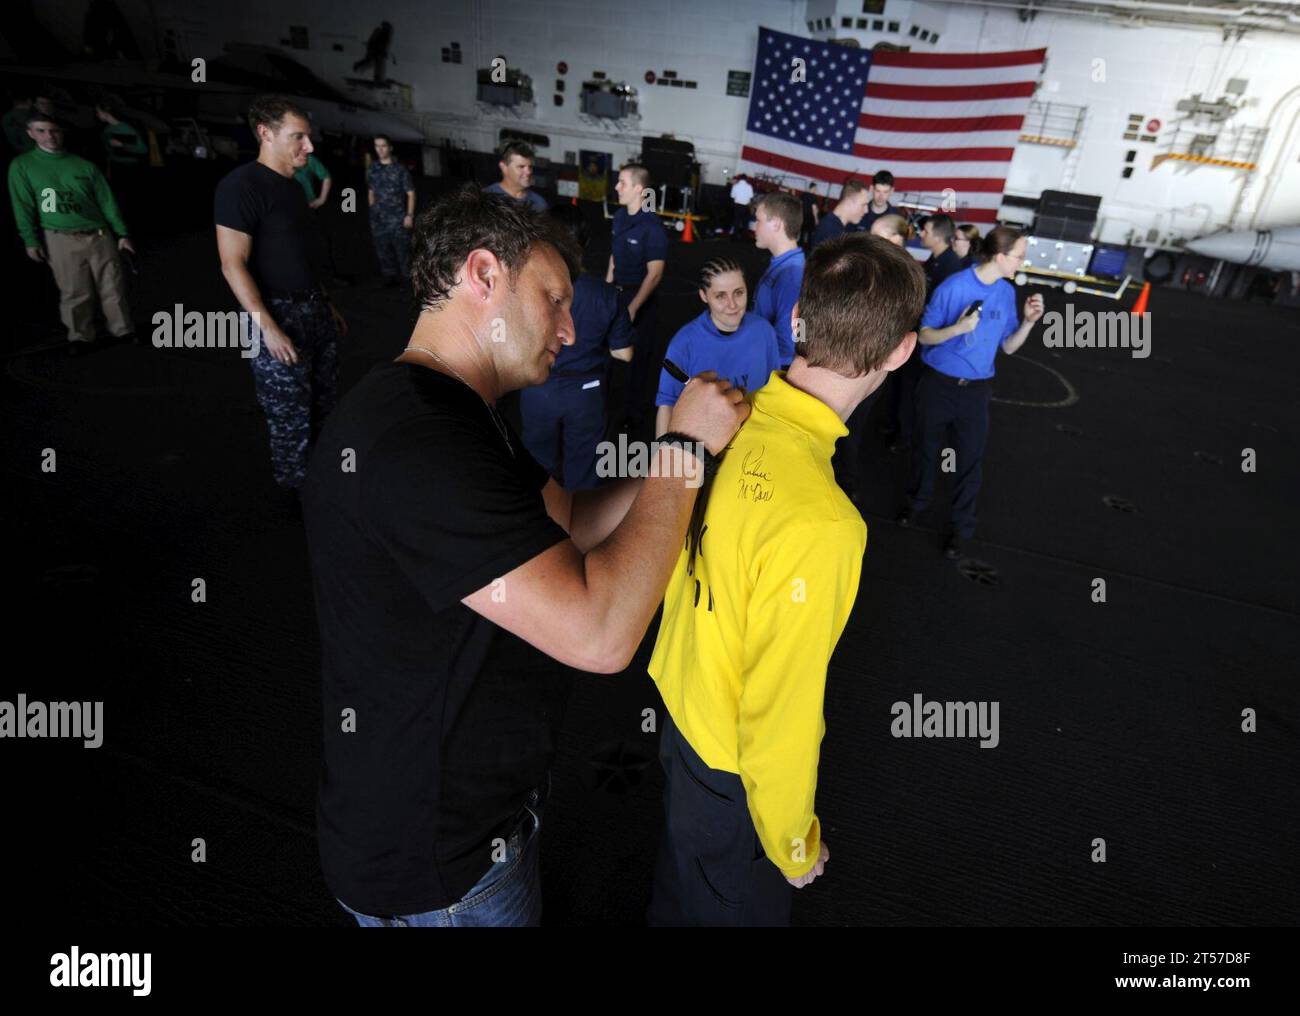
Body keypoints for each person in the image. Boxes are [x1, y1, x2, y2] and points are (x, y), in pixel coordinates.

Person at [301, 185, 748, 928]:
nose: (571, 330)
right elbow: (601, 637)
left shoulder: (454, 412)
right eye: (554, 300)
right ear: (483, 275)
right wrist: (681, 451)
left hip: (476, 815)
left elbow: (570, 522)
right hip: (436, 862)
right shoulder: (417, 444)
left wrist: (689, 473)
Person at [646, 233, 925, 926]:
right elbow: (780, 716)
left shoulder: (724, 420)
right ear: (900, 351)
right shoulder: (827, 527)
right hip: (733, 780)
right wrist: (796, 845)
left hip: (681, 722)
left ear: (797, 315)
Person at [214, 95, 346, 495]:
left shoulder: (293, 188)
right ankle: (297, 494)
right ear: (265, 133)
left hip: (314, 310)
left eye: (308, 137)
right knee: (289, 414)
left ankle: (324, 486)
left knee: (324, 403)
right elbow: (232, 263)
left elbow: (300, 255)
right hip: (275, 316)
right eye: (298, 137)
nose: (309, 146)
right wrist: (267, 328)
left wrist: (327, 303)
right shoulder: (239, 187)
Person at [898, 226, 1045, 558]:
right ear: (999, 256)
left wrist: (1029, 322)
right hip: (938, 386)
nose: (1022, 263)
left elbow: (1007, 347)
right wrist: (958, 329)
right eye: (1019, 256)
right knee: (925, 449)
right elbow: (924, 336)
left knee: (969, 461)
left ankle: (960, 527)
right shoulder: (954, 287)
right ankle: (916, 504)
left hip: (974, 394)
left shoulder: (1006, 294)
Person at [519, 203, 634, 489]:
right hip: (587, 394)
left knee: (535, 468)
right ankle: (578, 531)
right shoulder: (608, 296)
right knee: (583, 472)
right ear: (586, 243)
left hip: (537, 387)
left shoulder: (525, 289)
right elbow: (625, 353)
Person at [8, 111, 136, 354]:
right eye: (41, 131)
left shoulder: (83, 165)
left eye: (53, 130)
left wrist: (122, 234)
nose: (49, 136)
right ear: (31, 134)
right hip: (60, 236)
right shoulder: (22, 166)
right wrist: (30, 239)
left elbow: (107, 202)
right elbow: (22, 205)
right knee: (74, 290)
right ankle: (80, 337)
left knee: (112, 286)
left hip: (98, 234)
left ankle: (123, 330)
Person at [654, 258, 781, 437]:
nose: (732, 305)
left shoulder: (764, 331)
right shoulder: (684, 343)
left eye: (738, 293)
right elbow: (667, 405)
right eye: (720, 296)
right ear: (704, 296)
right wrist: (663, 459)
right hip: (706, 449)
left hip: (756, 442)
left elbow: (775, 392)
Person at [879, 213, 966, 453]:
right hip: (914, 332)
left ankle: (903, 436)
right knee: (899, 383)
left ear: (938, 236)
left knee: (910, 390)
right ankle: (894, 425)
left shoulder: (950, 267)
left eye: (925, 231)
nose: (921, 235)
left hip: (926, 342)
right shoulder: (935, 261)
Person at [607, 162, 668, 432]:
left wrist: (633, 307)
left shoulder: (652, 227)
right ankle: (608, 406)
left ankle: (634, 417)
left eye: (622, 182)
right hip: (618, 295)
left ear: (639, 189)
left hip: (640, 300)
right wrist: (606, 289)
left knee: (638, 362)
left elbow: (654, 275)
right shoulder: (620, 218)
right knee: (610, 355)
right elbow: (613, 256)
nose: (616, 187)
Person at [751, 191, 804, 367]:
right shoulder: (784, 265)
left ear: (776, 224)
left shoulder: (792, 276)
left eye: (758, 221)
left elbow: (791, 343)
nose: (754, 227)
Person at [367, 135, 415, 286]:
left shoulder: (400, 169)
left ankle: (409, 279)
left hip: (397, 217)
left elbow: (411, 193)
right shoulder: (373, 168)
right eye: (377, 146)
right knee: (382, 249)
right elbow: (371, 190)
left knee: (403, 251)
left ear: (390, 147)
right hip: (379, 217)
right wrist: (372, 209)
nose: (380, 149)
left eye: (383, 146)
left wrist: (409, 215)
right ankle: (390, 277)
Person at [483, 140, 547, 211]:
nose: (528, 172)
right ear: (504, 167)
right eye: (521, 167)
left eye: (530, 167)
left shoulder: (539, 203)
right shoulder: (486, 198)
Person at [809, 177, 870, 248]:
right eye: (863, 205)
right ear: (848, 201)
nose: (866, 210)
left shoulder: (838, 227)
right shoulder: (831, 232)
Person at [854, 170, 899, 234]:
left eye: (885, 192)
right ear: (872, 189)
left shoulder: (897, 217)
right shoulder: (858, 212)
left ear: (892, 191)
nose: (881, 196)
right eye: (878, 191)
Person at [798, 181, 820, 247]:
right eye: (816, 188)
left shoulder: (803, 195)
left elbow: (799, 205)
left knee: (802, 233)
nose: (816, 190)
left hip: (803, 216)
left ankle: (800, 246)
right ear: (813, 188)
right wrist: (816, 219)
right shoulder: (813, 197)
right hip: (810, 218)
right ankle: (808, 249)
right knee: (810, 234)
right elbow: (814, 209)